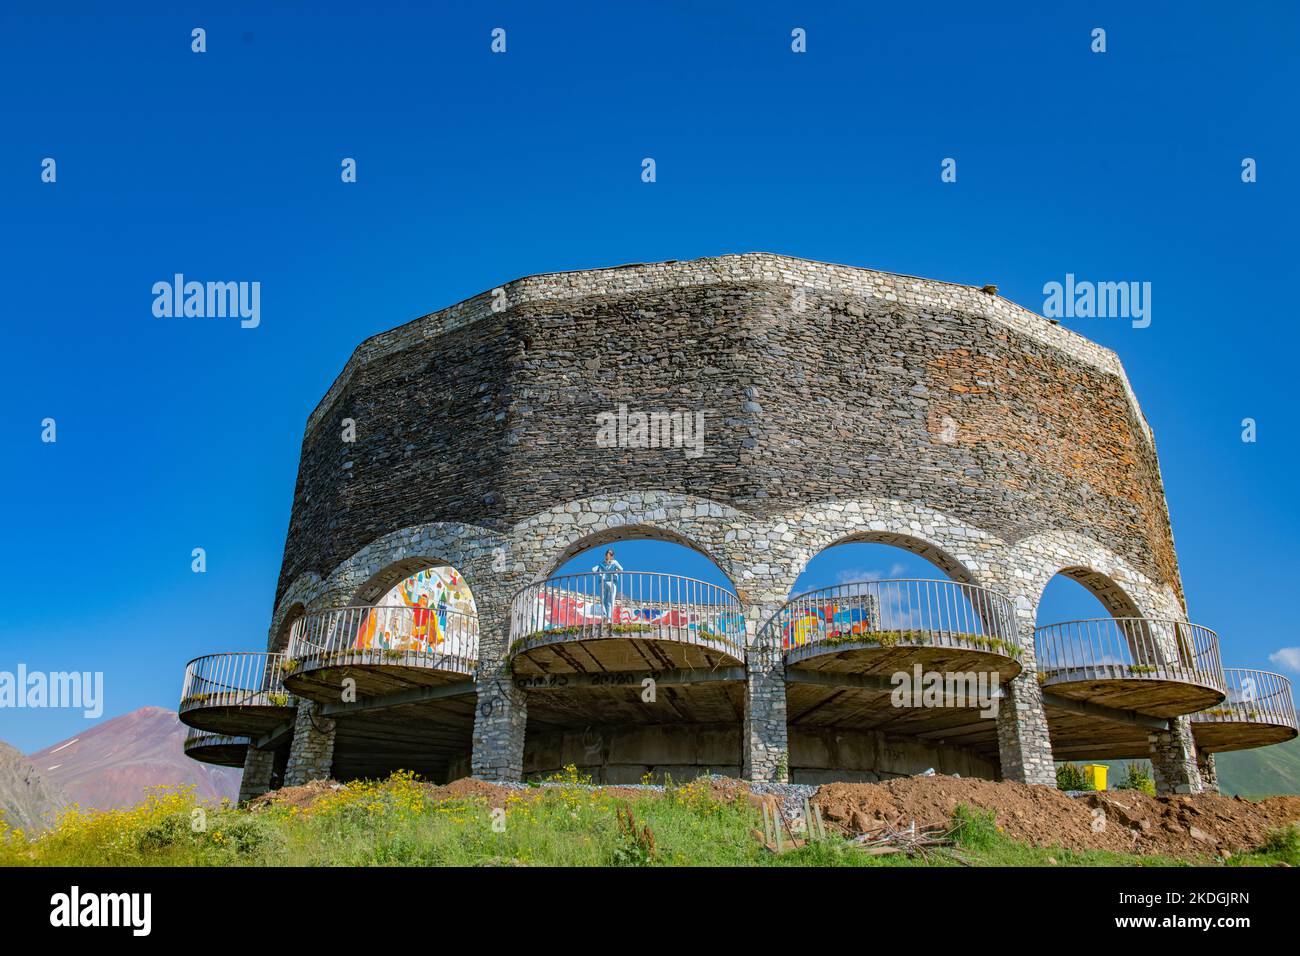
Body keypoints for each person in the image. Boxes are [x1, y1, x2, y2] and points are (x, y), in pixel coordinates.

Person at [592, 548, 623, 621]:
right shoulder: (609, 563)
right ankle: (607, 617)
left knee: (605, 600)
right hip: (609, 582)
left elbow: (593, 569)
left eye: (608, 555)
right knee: (608, 601)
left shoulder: (604, 563)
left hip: (605, 582)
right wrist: (615, 571)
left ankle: (607, 616)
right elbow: (621, 569)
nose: (608, 556)